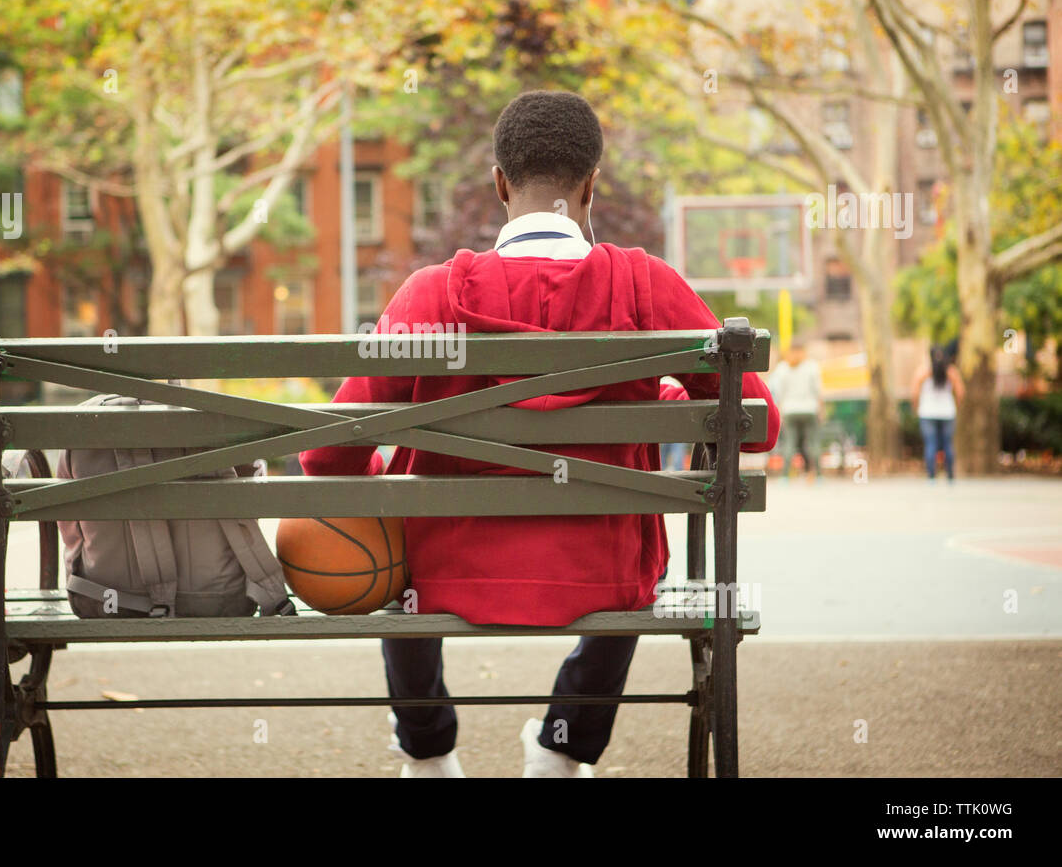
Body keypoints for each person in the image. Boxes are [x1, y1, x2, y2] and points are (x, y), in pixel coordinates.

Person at [299, 91, 781, 777]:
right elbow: (757, 427)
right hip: (604, 574)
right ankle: (563, 745)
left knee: (393, 525)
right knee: (646, 558)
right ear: (590, 186)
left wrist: (383, 489)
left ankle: (428, 750)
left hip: (440, 572)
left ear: (499, 184)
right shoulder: (645, 285)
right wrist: (667, 398)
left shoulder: (430, 293)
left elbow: (326, 452)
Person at [767, 340, 822, 481]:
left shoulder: (782, 368)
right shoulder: (812, 367)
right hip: (810, 409)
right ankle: (818, 475)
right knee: (812, 443)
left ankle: (785, 476)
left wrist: (780, 411)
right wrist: (821, 409)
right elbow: (817, 391)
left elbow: (778, 393)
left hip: (789, 410)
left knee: (789, 443)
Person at [911, 343, 963, 481]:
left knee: (930, 444)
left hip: (927, 413)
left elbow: (915, 393)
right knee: (948, 444)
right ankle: (950, 475)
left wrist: (916, 408)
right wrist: (955, 406)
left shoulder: (923, 372)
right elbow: (960, 392)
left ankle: (931, 476)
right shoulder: (951, 371)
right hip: (947, 413)